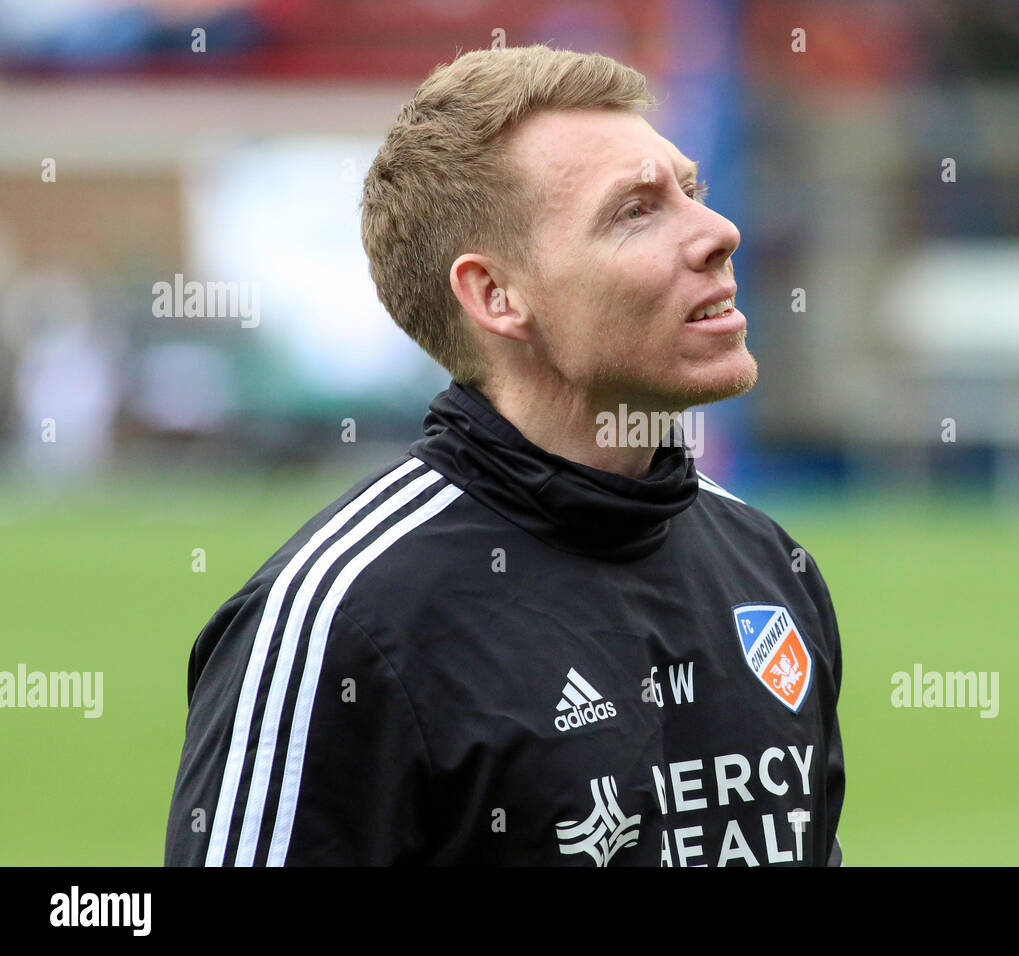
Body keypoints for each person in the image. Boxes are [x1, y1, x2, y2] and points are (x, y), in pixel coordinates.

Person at [164, 44, 845, 867]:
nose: (718, 231)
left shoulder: (771, 567)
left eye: (689, 191)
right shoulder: (343, 620)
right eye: (636, 210)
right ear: (497, 296)